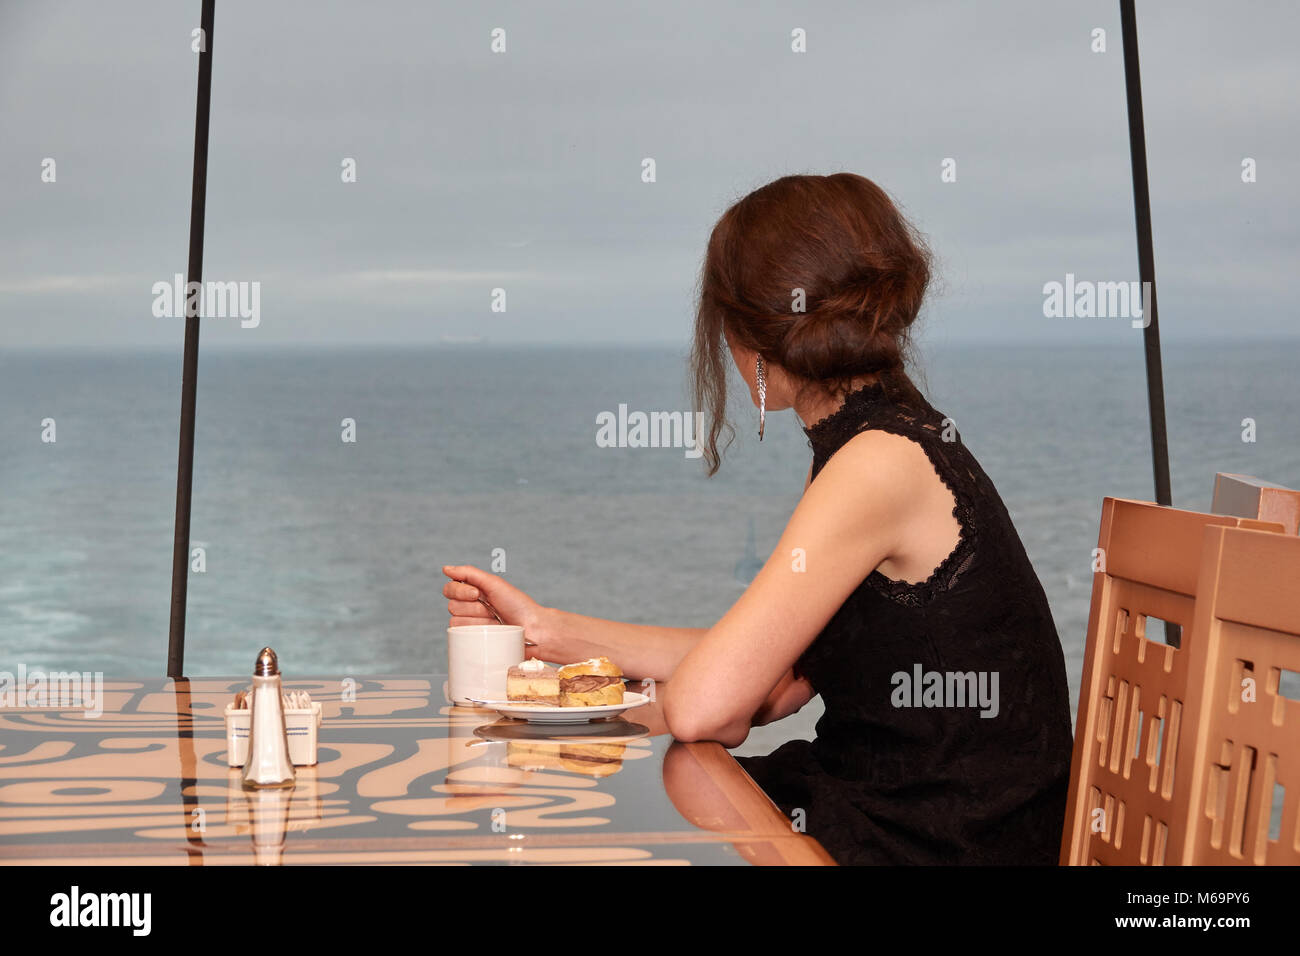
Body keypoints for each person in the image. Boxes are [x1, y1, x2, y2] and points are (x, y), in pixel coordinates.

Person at [443, 172, 1073, 865]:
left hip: (943, 840)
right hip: (911, 810)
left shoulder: (875, 464)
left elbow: (705, 707)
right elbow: (763, 671)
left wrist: (656, 690)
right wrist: (547, 631)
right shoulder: (879, 441)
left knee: (607, 828)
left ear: (754, 338)